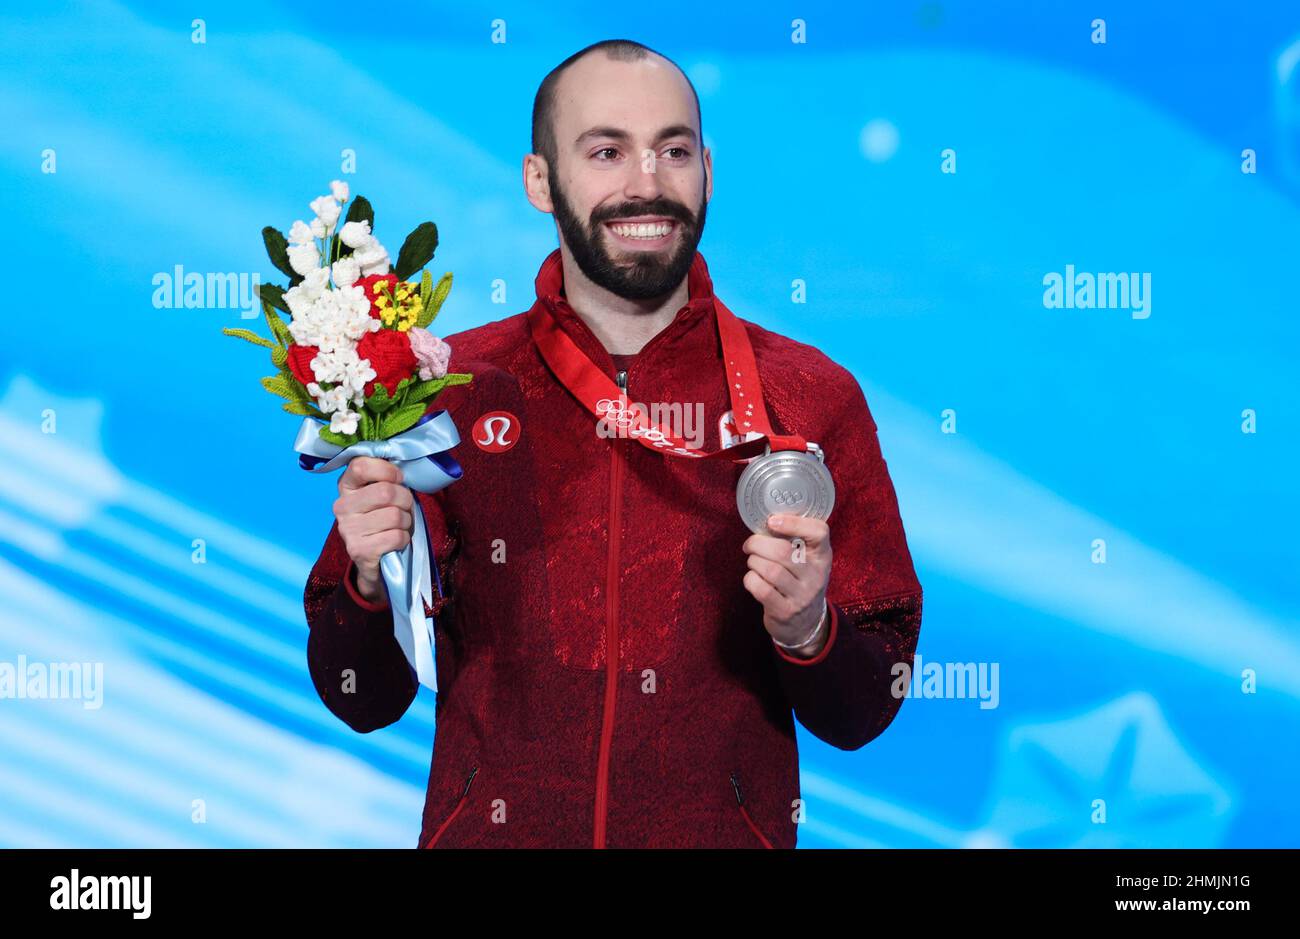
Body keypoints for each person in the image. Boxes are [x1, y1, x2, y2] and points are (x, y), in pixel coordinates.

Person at [304, 38, 923, 848]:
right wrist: (365, 577)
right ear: (539, 180)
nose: (646, 183)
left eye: (674, 151)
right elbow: (360, 698)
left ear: (708, 170)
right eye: (607, 150)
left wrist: (809, 628)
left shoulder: (807, 396)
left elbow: (865, 711)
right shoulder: (446, 389)